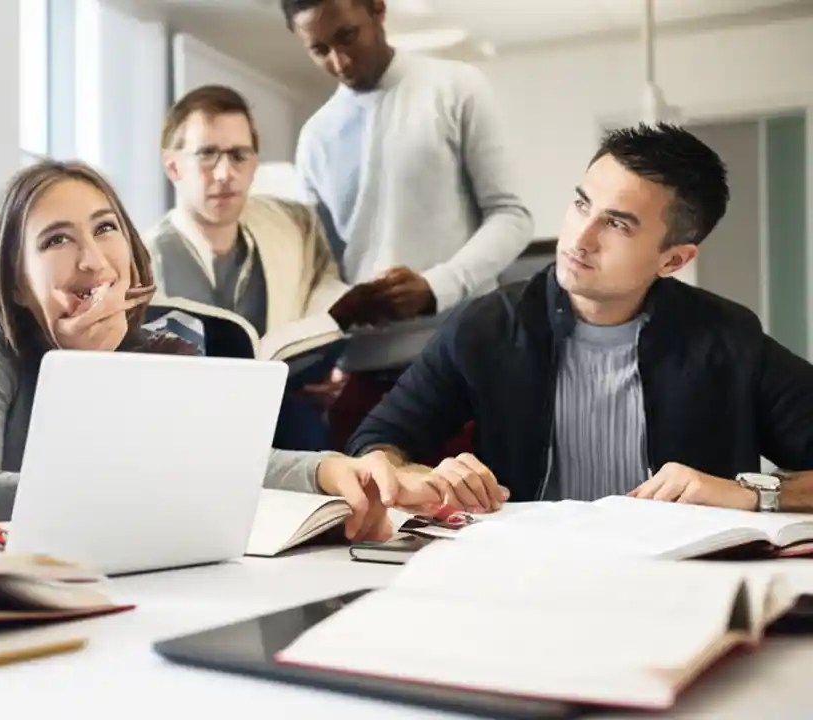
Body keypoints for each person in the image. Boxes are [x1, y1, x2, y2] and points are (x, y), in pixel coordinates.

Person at [0, 160, 467, 539]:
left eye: (105, 228)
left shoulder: (163, 348)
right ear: (18, 280)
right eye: (56, 240)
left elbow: (220, 461)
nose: (92, 259)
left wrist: (332, 470)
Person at [348, 123, 813, 513]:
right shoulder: (487, 326)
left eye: (617, 223)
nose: (580, 237)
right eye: (581, 204)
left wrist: (749, 493)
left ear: (673, 260)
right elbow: (375, 443)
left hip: (680, 582)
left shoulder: (729, 338)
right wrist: (419, 475)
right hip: (529, 579)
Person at [282, 0, 533, 448]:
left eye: (346, 37)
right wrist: (337, 312)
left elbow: (512, 216)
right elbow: (321, 265)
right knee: (370, 518)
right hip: (365, 372)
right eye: (318, 50)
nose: (338, 61)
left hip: (465, 361)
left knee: (479, 515)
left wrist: (435, 287)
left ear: (378, 11)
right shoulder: (315, 137)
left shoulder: (457, 87)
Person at [147, 84, 347, 451]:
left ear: (254, 164)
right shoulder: (140, 263)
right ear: (173, 165)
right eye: (207, 154)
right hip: (185, 445)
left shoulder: (291, 229)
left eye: (239, 155)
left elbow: (325, 287)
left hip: (285, 438)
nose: (225, 173)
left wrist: (335, 366)